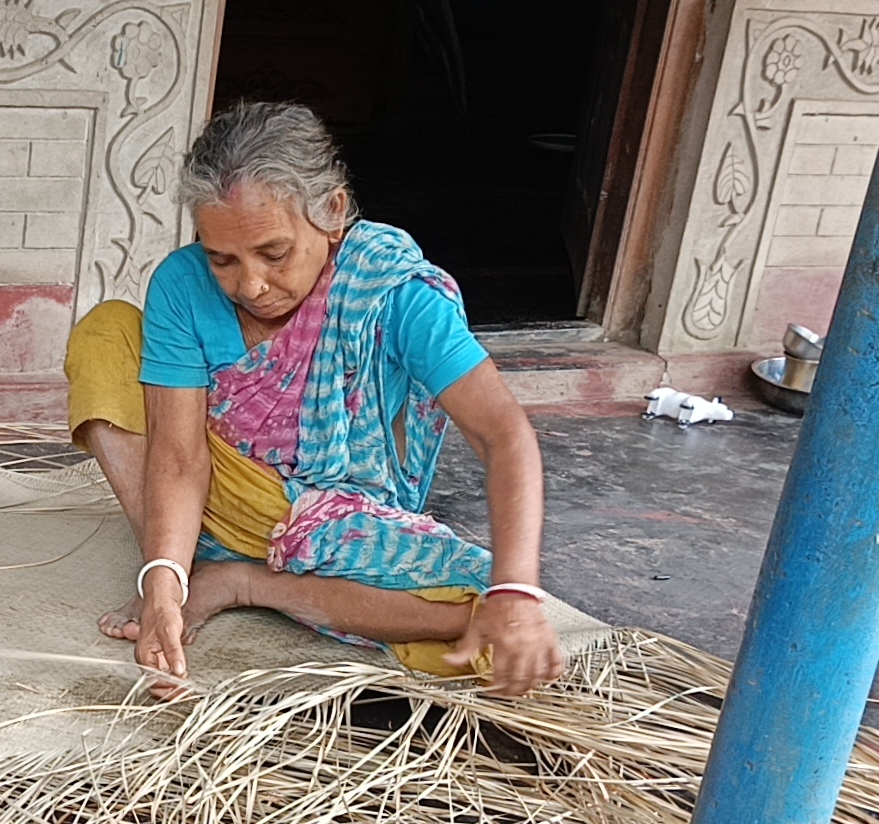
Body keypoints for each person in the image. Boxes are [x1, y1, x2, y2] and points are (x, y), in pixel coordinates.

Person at [64, 101, 566, 697]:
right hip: (203, 501)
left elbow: (501, 432)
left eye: (273, 254)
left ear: (332, 212)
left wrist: (515, 592)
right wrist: (162, 584)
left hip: (332, 514)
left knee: (497, 593)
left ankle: (244, 583)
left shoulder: (389, 291)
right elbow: (177, 456)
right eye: (222, 258)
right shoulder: (182, 282)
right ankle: (182, 568)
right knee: (107, 332)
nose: (249, 284)